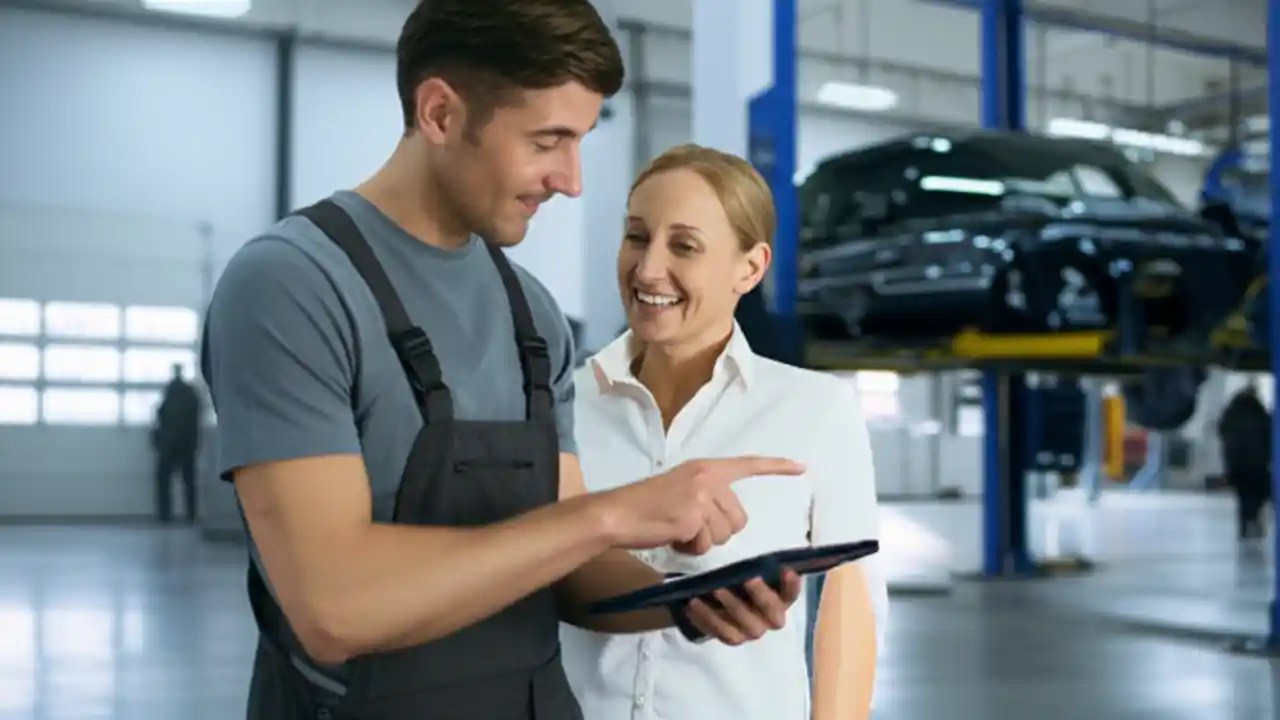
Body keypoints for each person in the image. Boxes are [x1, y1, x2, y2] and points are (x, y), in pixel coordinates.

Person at [200, 2, 806, 718]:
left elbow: (569, 569)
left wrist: (687, 603)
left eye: (580, 140)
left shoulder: (534, 316)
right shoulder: (292, 287)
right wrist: (609, 515)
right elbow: (333, 607)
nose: (572, 179)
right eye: (548, 140)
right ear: (440, 114)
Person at [561, 144, 889, 720]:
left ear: (751, 267)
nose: (647, 269)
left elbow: (850, 599)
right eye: (637, 237)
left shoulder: (815, 410)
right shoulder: (563, 402)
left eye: (683, 246)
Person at [1217, 382, 1272, 540]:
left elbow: (1222, 432)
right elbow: (1268, 432)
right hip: (1257, 463)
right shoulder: (1258, 412)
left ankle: (1244, 525)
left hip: (1237, 463)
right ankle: (1254, 522)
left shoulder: (1231, 412)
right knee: (1257, 495)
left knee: (1243, 496)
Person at [152, 362, 201, 523]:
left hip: (169, 444)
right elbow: (195, 419)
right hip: (186, 444)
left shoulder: (170, 391)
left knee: (164, 480)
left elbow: (160, 417)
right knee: (188, 481)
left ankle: (164, 515)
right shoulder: (190, 392)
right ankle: (190, 515)